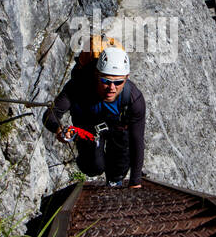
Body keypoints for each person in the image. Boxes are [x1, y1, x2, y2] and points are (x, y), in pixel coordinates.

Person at [44, 46, 146, 188]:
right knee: (93, 168)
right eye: (106, 81)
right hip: (88, 130)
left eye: (118, 82)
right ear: (96, 74)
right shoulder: (78, 86)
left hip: (117, 130)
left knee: (120, 162)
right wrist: (58, 129)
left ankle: (114, 180)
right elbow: (51, 114)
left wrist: (135, 182)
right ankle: (92, 161)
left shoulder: (133, 99)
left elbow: (137, 141)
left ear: (127, 78)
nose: (112, 88)